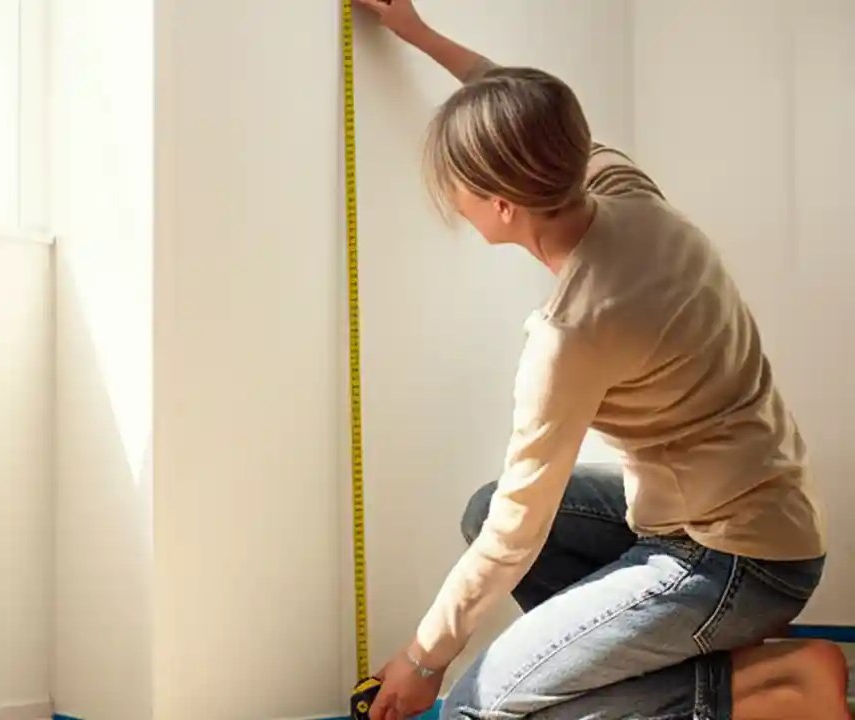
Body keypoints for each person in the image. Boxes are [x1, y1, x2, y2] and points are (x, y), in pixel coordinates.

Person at [353, 2, 850, 719]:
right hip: (759, 513)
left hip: (735, 558)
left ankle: (773, 686)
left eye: (455, 181)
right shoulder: (618, 190)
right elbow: (520, 107)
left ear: (498, 206)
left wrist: (424, 658)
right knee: (482, 507)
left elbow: (514, 538)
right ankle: (696, 654)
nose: (449, 194)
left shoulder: (573, 334)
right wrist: (417, 34)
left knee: (479, 707)